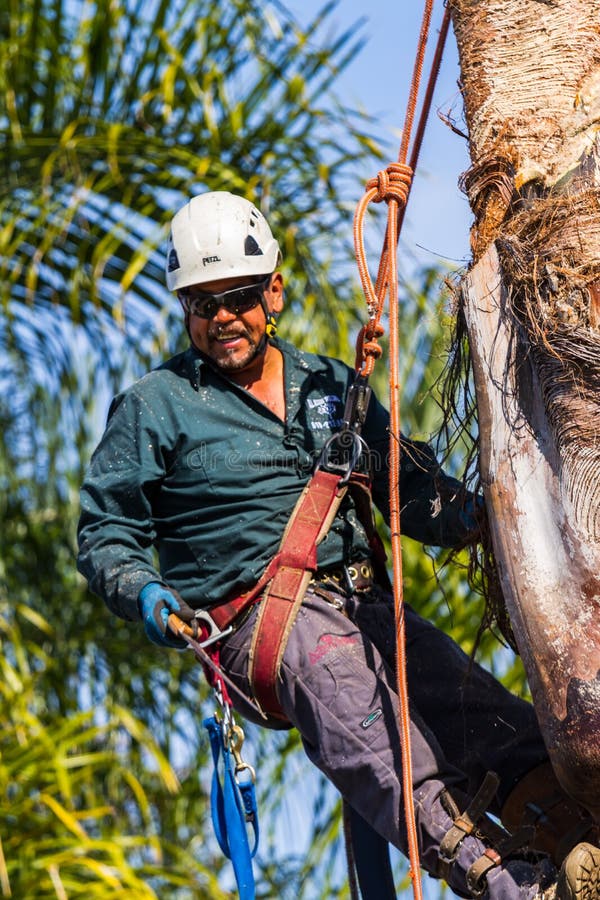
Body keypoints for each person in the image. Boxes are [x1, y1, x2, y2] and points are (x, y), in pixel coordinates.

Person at [77, 191, 600, 899]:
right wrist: (146, 594)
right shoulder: (156, 406)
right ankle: (506, 885)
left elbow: (406, 486)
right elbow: (107, 531)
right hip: (265, 620)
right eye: (202, 305)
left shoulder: (328, 386)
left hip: (362, 604)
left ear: (274, 292)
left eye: (236, 297)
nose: (222, 318)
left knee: (482, 715)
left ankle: (571, 835)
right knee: (379, 740)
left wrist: (487, 520)